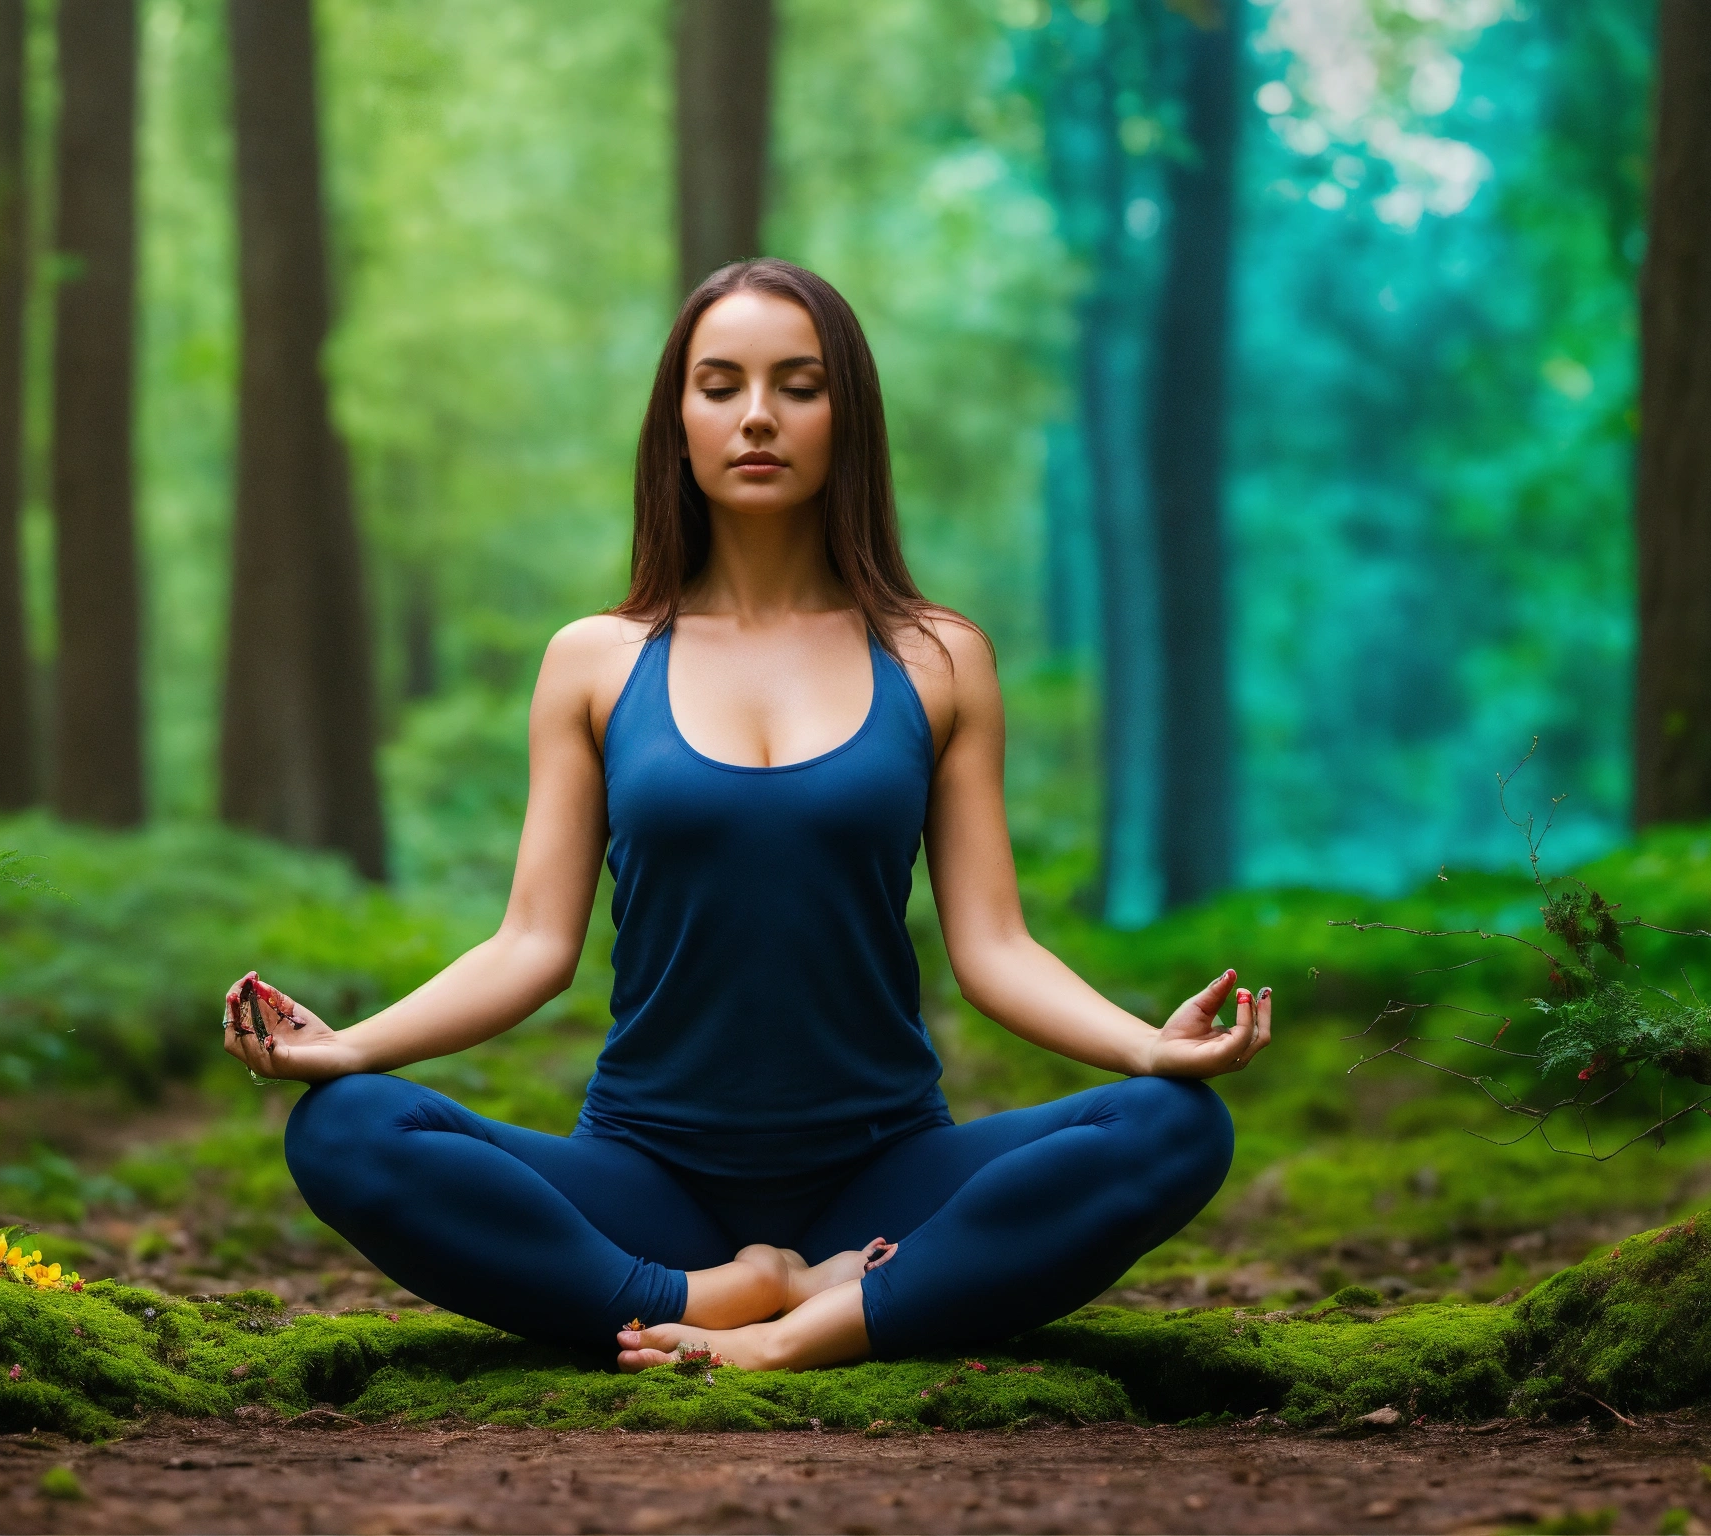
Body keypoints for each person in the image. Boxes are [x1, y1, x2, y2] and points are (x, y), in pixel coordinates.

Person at [220, 258, 1272, 1373]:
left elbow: (995, 948)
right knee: (344, 1130)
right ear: (678, 421)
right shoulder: (595, 662)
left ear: (846, 418)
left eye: (799, 386)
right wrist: (351, 1048)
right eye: (720, 385)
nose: (758, 416)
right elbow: (530, 946)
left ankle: (808, 1332)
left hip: (886, 1181)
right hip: (645, 1175)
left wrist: (1146, 1047)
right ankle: (720, 1296)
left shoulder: (939, 657)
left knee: (1177, 1127)